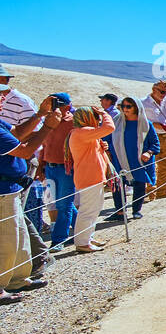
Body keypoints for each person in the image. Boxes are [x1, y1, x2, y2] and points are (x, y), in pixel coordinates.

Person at [0, 98, 60, 300]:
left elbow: (16, 133)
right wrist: (48, 128)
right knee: (6, 241)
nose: (2, 98)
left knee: (18, 237)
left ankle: (17, 279)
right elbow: (24, 150)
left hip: (10, 188)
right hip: (2, 190)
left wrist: (39, 115)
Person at [66, 106, 115, 252]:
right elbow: (109, 127)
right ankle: (82, 243)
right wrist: (104, 113)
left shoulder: (84, 133)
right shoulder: (83, 132)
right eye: (95, 117)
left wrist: (101, 147)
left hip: (92, 177)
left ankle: (88, 237)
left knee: (94, 209)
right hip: (89, 177)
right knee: (88, 210)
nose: (98, 120)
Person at [106, 97, 159, 221]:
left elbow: (155, 143)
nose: (125, 109)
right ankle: (120, 212)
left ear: (136, 107)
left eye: (128, 106)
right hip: (119, 160)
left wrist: (149, 153)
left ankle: (136, 210)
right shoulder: (116, 122)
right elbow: (106, 139)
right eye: (123, 106)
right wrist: (107, 150)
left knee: (140, 184)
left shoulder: (146, 124)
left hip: (139, 161)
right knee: (118, 185)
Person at [35, 92, 76, 248]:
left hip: (66, 169)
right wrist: (41, 166)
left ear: (67, 107)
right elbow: (44, 146)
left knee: (63, 205)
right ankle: (83, 230)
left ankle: (59, 239)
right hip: (50, 168)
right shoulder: (48, 121)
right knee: (61, 203)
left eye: (57, 106)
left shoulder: (73, 123)